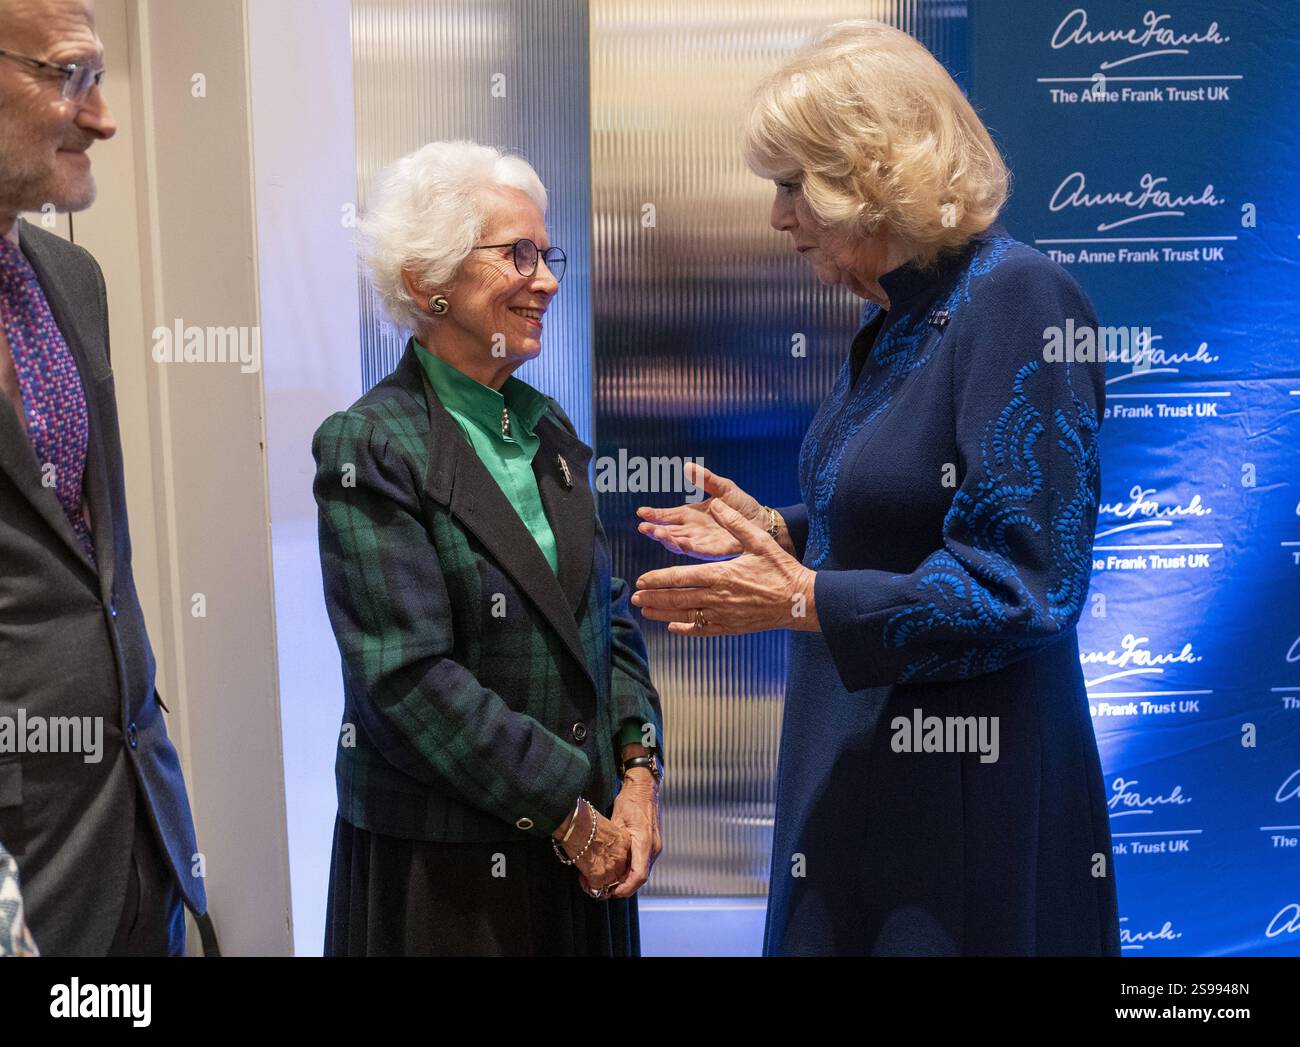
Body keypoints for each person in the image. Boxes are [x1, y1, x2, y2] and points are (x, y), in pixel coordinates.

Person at [634, 20, 1119, 956]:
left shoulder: (1018, 299)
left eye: (790, 186)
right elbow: (909, 510)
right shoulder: (901, 316)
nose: (779, 218)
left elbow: (1027, 583)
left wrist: (803, 595)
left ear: (872, 171)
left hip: (957, 807)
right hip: (861, 774)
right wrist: (778, 526)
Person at [314, 140, 664, 956]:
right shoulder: (368, 444)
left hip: (590, 851)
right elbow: (407, 681)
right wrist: (572, 812)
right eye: (518, 253)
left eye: (548, 256)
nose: (544, 279)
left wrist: (638, 770)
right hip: (450, 879)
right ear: (425, 281)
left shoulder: (548, 428)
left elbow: (606, 623)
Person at [0, 0, 209, 955]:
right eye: (69, 75)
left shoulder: (68, 275)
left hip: (132, 827)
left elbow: (88, 559)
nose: (103, 116)